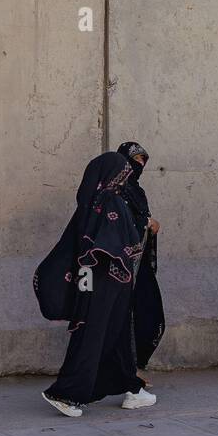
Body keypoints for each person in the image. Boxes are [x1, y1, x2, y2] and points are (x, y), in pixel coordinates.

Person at [33, 151, 156, 417]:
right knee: (93, 336)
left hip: (98, 282)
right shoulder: (109, 202)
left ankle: (132, 389)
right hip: (105, 283)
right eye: (123, 171)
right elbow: (113, 244)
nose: (126, 177)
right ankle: (66, 394)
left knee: (117, 335)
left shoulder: (91, 202)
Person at [116, 140, 165, 386]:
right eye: (135, 160)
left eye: (143, 161)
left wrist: (147, 225)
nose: (140, 165)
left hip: (140, 265)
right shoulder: (114, 190)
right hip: (120, 268)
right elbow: (117, 223)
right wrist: (146, 223)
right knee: (126, 317)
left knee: (150, 313)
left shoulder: (136, 190)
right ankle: (128, 371)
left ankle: (135, 366)